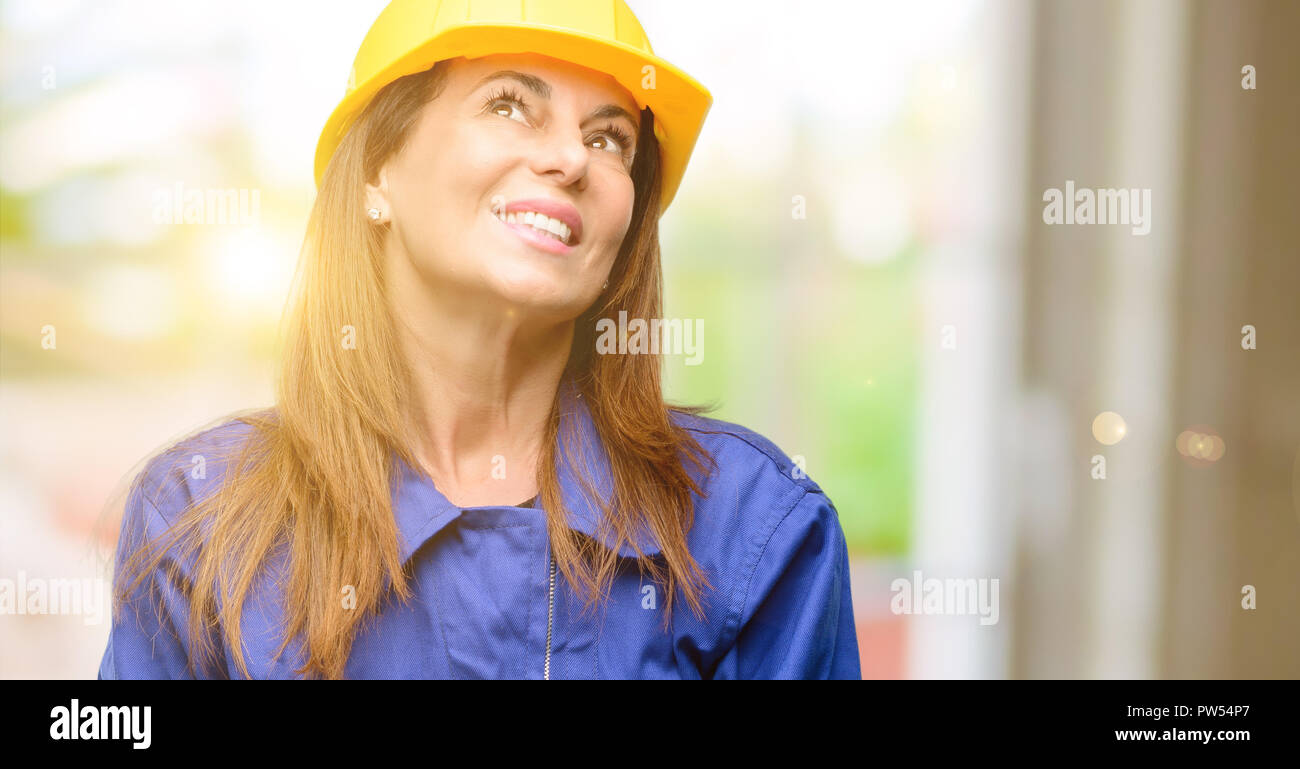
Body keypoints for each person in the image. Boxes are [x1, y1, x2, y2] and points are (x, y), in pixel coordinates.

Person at [98, 0, 860, 679]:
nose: (571, 159)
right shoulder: (203, 520)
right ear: (377, 169)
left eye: (611, 139)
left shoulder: (752, 530)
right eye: (510, 105)